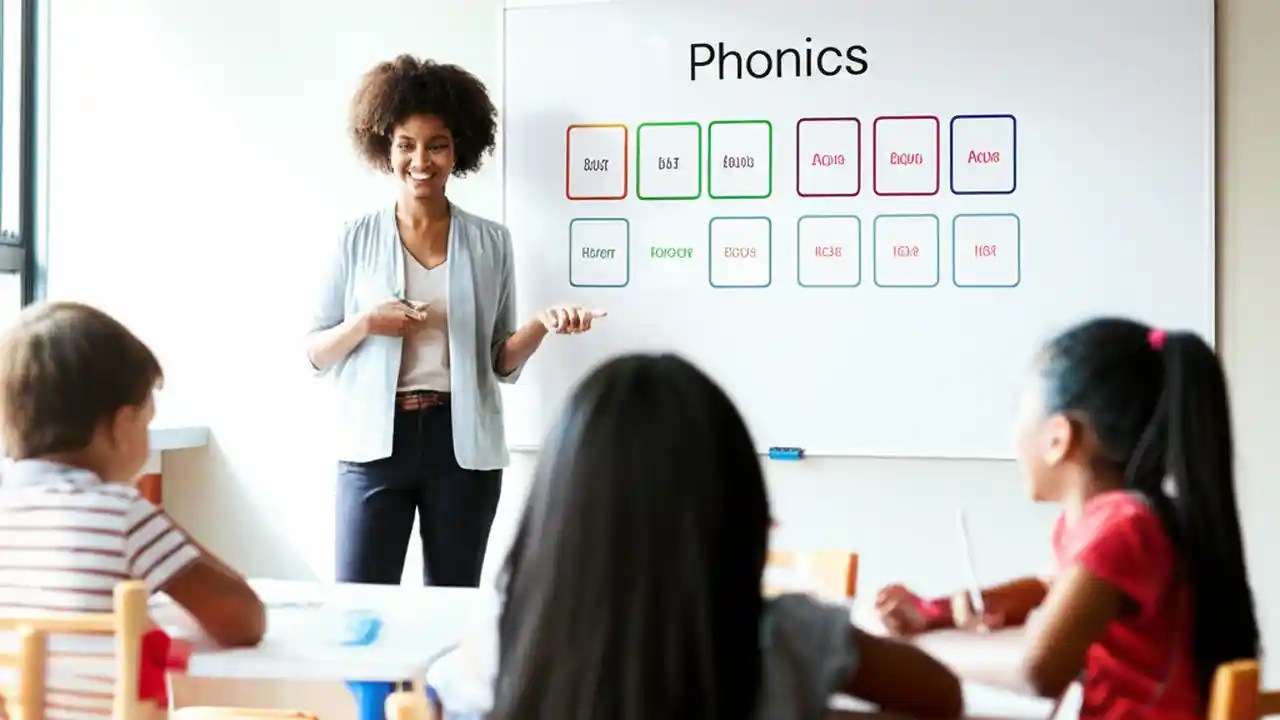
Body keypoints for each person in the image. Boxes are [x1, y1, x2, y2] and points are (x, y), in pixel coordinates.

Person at [429, 354, 962, 720]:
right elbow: (943, 695)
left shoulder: (507, 636)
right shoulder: (787, 634)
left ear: (554, 515)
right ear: (740, 508)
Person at [306, 55, 603, 591]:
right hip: (375, 445)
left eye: (436, 144)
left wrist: (539, 325)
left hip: (461, 449)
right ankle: (373, 684)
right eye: (406, 145)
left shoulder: (492, 241)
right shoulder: (353, 238)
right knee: (360, 606)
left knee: (452, 603)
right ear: (384, 148)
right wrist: (364, 324)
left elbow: (500, 363)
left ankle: (439, 684)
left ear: (457, 149)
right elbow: (314, 353)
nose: (421, 160)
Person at [875, 318, 1259, 718]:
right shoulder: (1109, 521)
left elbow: (1037, 666)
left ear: (1059, 439)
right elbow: (1052, 589)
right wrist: (934, 615)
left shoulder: (1123, 527)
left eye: (1021, 413)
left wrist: (911, 654)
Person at [0, 301, 266, 715]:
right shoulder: (118, 512)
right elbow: (244, 622)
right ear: (123, 426)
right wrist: (152, 520)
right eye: (147, 420)